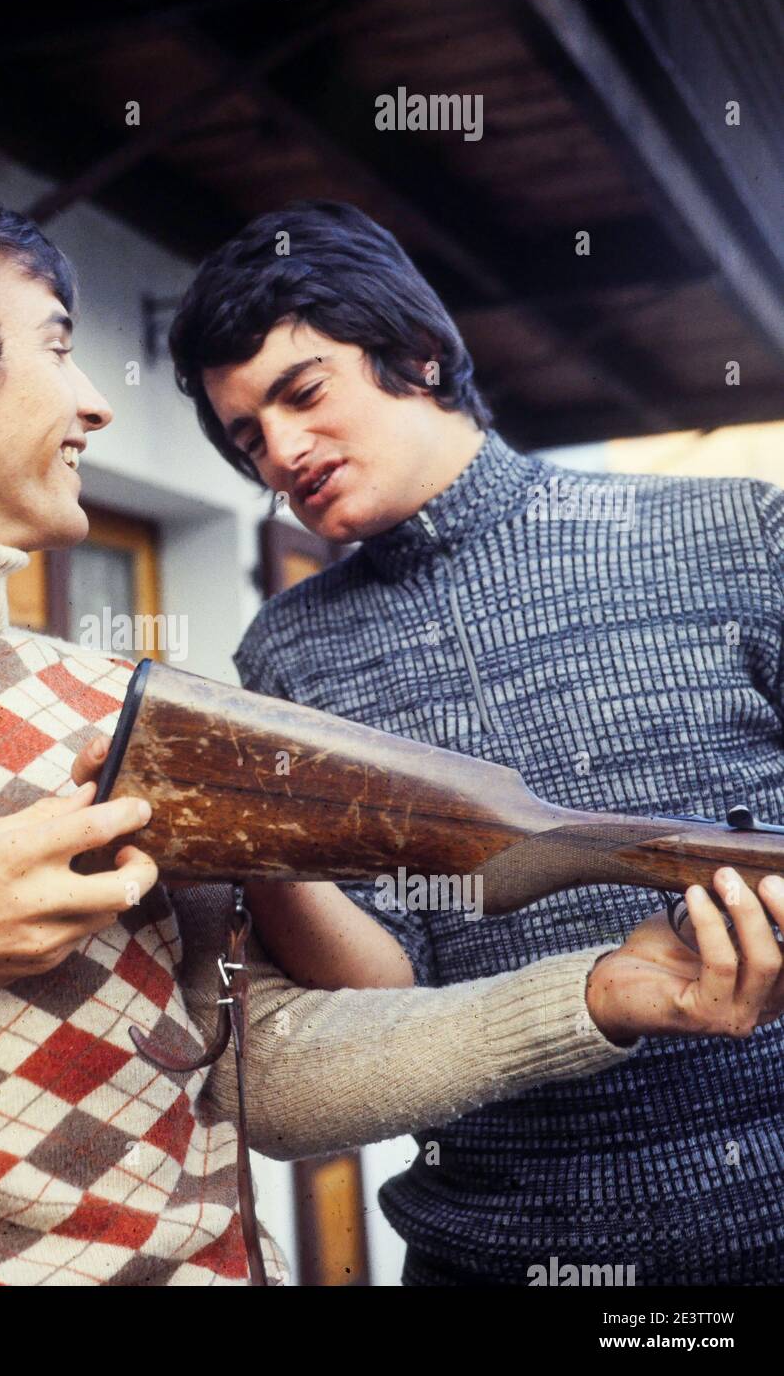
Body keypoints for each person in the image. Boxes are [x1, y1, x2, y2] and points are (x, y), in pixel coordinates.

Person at [0, 194, 781, 1289]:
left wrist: (595, 997)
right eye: (57, 340)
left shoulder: (137, 708)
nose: (99, 403)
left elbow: (256, 1067)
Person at [167, 197, 784, 1285]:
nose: (280, 452)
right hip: (489, 1251)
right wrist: (254, 853)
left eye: (302, 393)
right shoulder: (285, 660)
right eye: (244, 436)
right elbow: (381, 990)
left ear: (418, 353)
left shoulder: (731, 531)